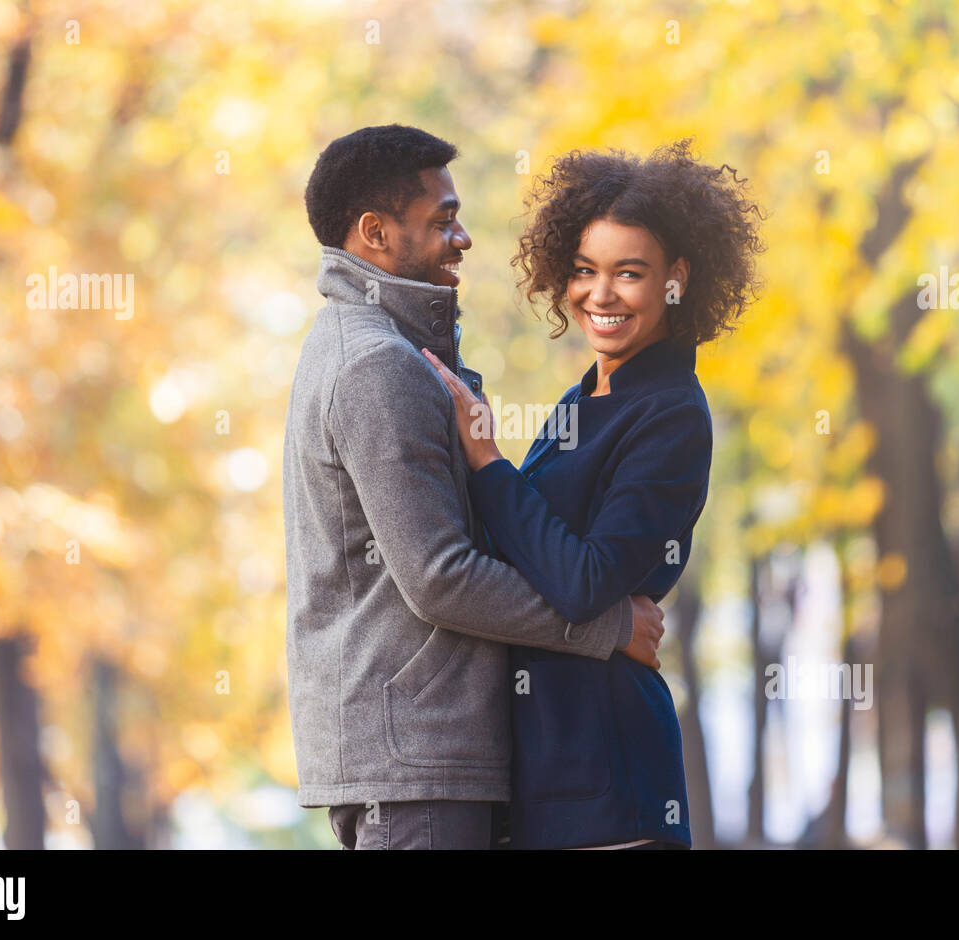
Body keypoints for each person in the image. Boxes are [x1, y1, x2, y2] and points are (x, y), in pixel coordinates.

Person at [284, 124, 667, 850]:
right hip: (420, 761)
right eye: (441, 221)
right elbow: (440, 577)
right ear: (374, 232)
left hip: (422, 755)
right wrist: (609, 627)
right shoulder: (377, 367)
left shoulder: (387, 349)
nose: (461, 239)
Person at [424, 139, 763, 849]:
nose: (599, 295)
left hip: (609, 782)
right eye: (584, 271)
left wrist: (488, 463)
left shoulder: (669, 411)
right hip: (553, 771)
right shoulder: (590, 393)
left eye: (628, 273)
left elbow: (583, 582)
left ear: (677, 278)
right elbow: (534, 556)